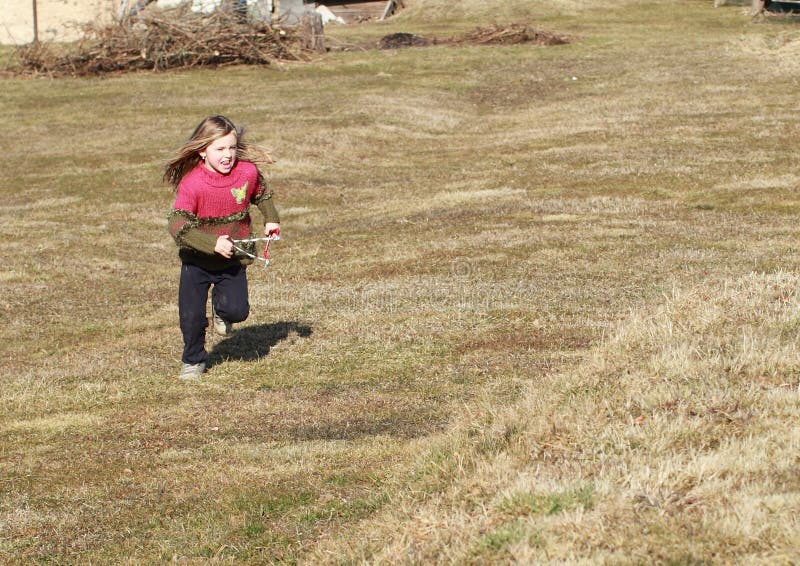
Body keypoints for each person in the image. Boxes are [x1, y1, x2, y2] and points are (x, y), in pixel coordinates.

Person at [164, 115, 280, 380]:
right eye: (220, 149)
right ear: (202, 151)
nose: (227, 155)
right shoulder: (193, 183)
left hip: (233, 259)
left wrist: (271, 219)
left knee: (237, 311)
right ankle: (193, 361)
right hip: (197, 261)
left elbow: (262, 193)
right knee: (192, 317)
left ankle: (221, 309)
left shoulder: (246, 173)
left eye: (231, 147)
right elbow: (176, 223)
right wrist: (211, 243)